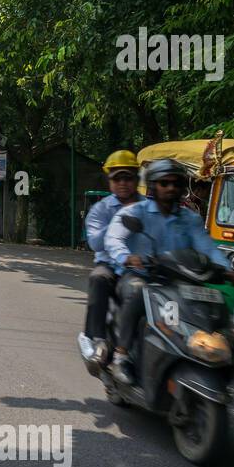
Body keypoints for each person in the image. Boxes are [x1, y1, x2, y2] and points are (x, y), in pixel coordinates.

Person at [104, 158, 234, 385]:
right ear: (152, 186)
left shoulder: (190, 219)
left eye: (176, 184)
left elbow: (207, 247)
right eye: (164, 183)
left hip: (181, 281)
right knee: (139, 293)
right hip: (142, 276)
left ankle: (201, 354)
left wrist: (226, 269)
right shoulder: (136, 212)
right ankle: (122, 355)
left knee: (215, 302)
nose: (170, 188)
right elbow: (114, 238)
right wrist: (126, 256)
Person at [80, 151, 141, 364]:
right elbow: (95, 243)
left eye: (128, 178)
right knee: (98, 278)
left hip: (142, 267)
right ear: (110, 181)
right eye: (117, 178)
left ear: (137, 179)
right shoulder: (100, 209)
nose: (123, 183)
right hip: (111, 266)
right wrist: (120, 219)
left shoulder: (149, 207)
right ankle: (97, 339)